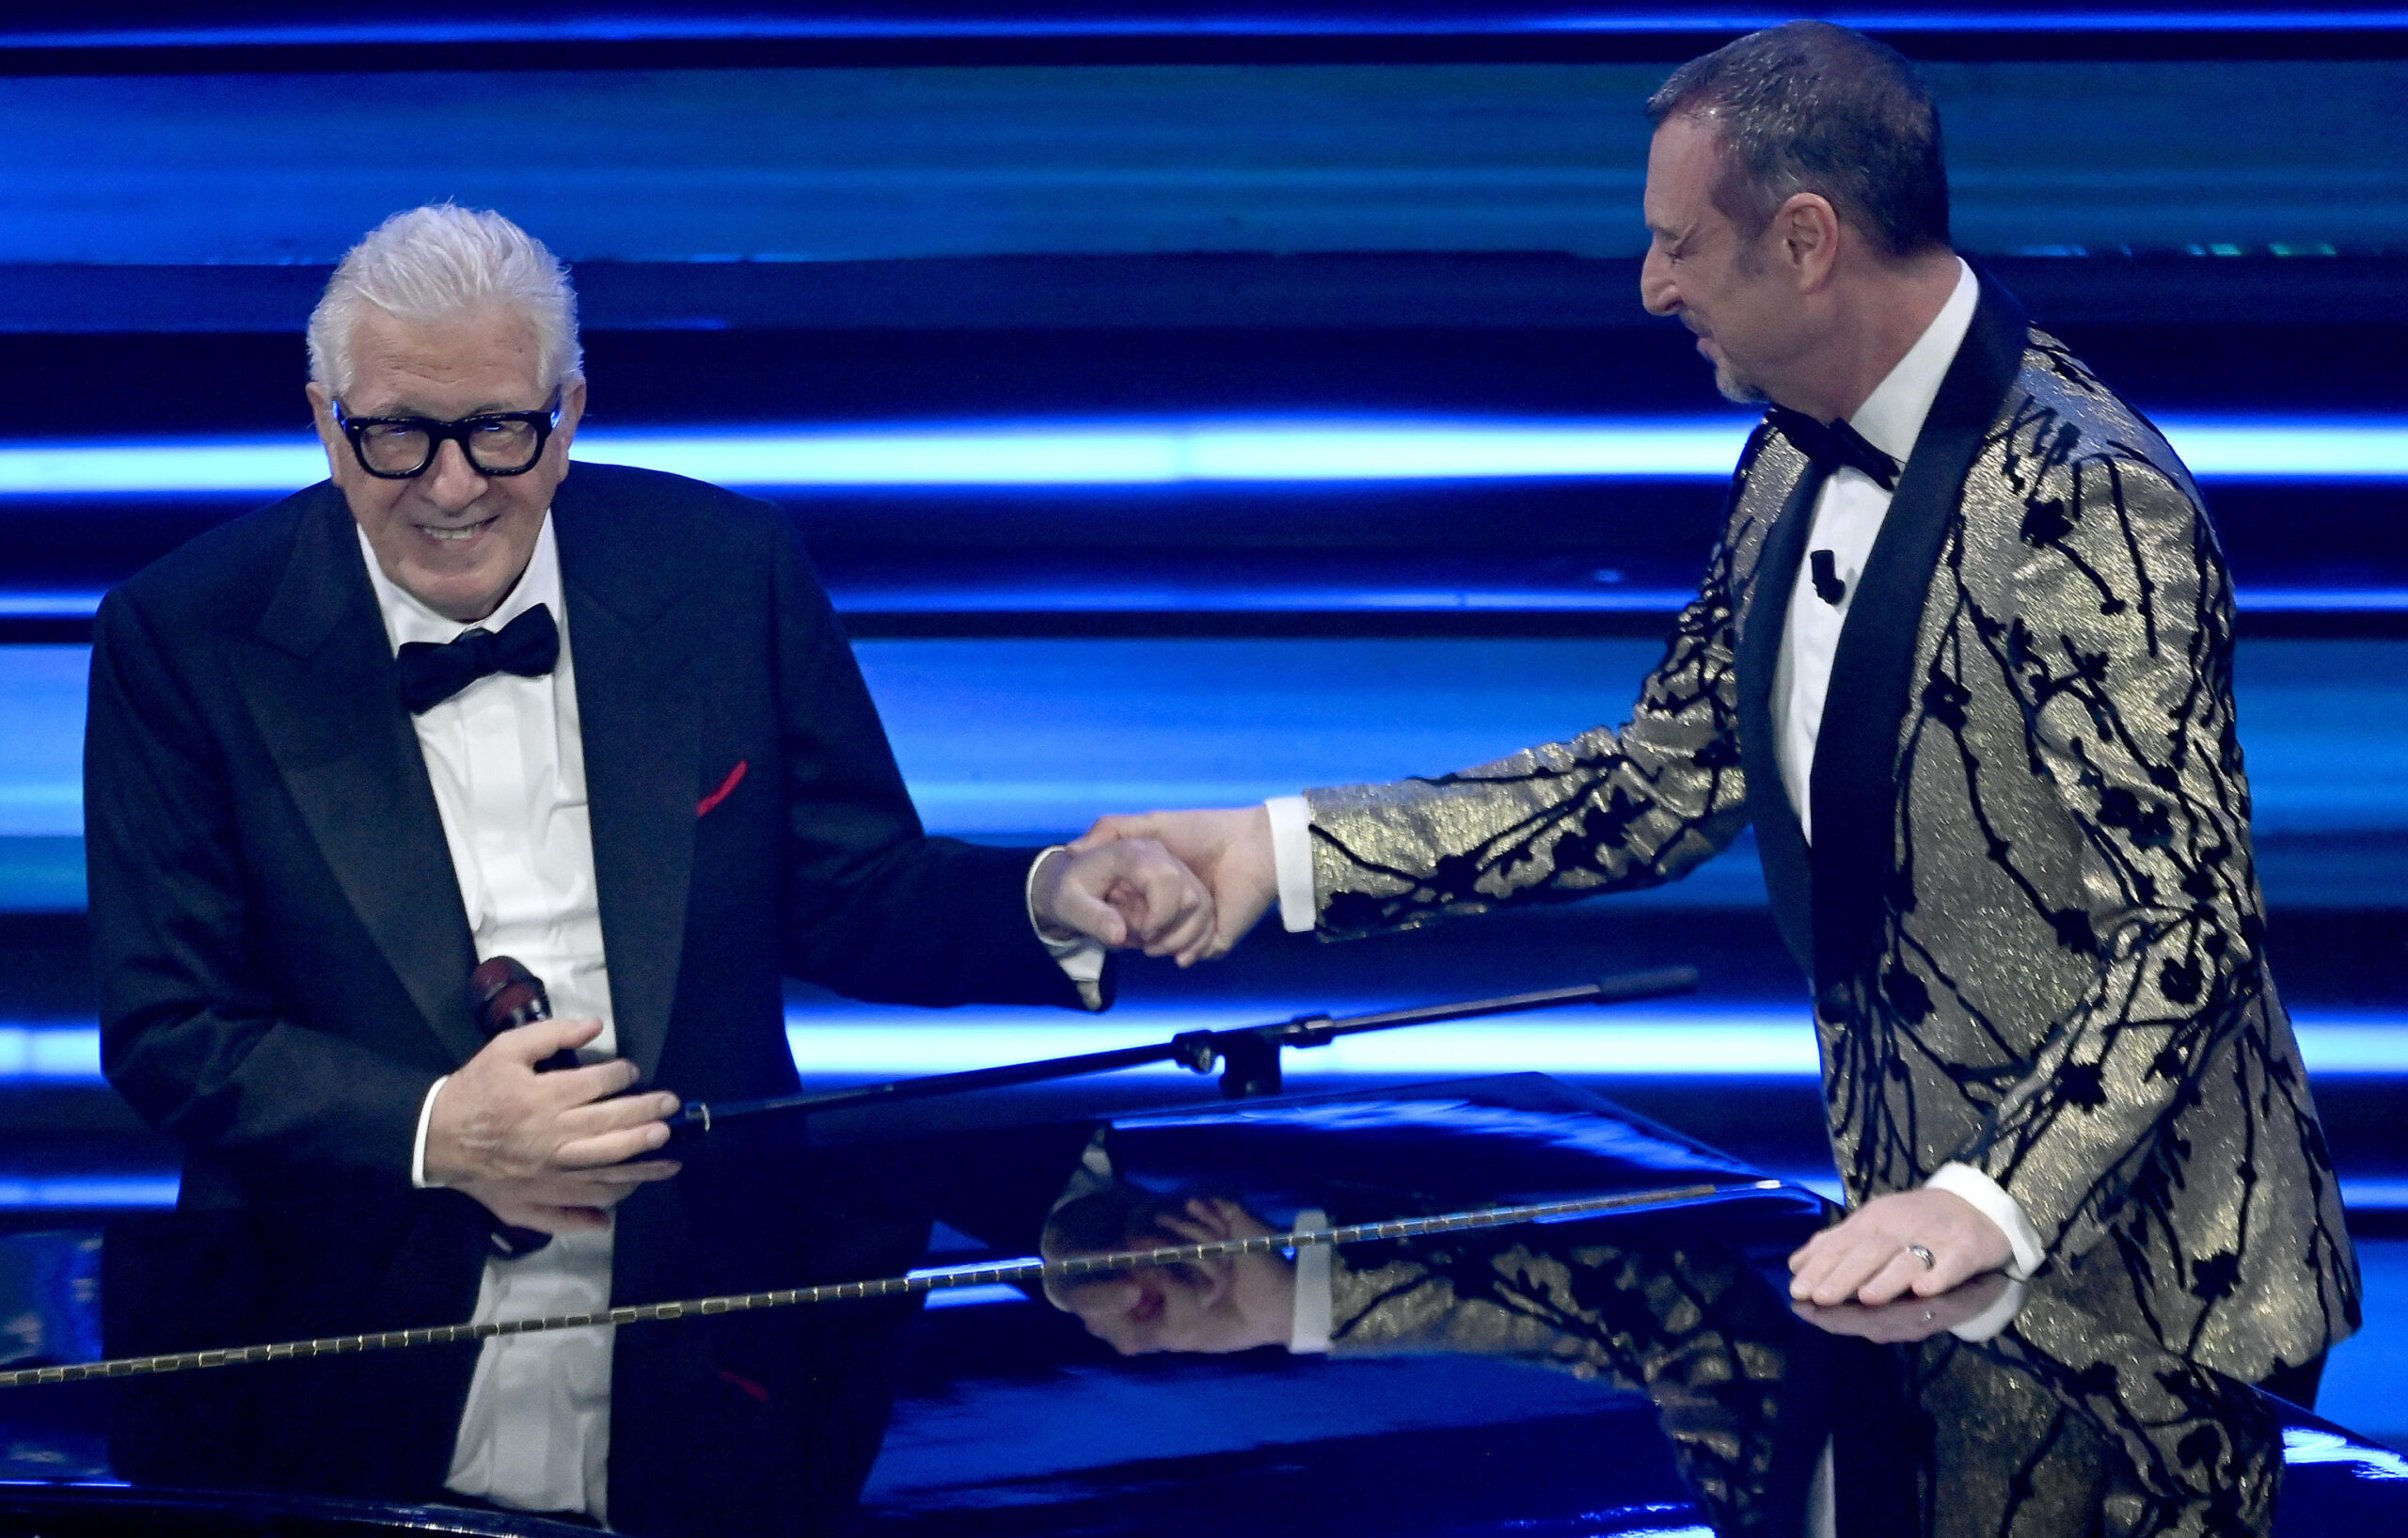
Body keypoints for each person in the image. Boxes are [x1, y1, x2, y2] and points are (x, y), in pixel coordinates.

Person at [1077, 20, 2358, 1523]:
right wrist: (1274, 854)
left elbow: (2187, 930)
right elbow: (1658, 784)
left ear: (1806, 241)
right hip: (1908, 1285)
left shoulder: (2088, 499)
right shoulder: (1786, 462)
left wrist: (1985, 1200)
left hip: (2156, 1327)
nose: (1651, 285)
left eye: (1679, 243)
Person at [84, 204, 1212, 1537]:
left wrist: (1047, 899)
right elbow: (173, 1030)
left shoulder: (726, 570)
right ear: (328, 424)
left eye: (499, 429)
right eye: (397, 435)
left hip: (713, 1305)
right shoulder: (184, 635)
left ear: (569, 413)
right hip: (334, 1331)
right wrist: (438, 1129)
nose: (452, 486)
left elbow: (850, 890)